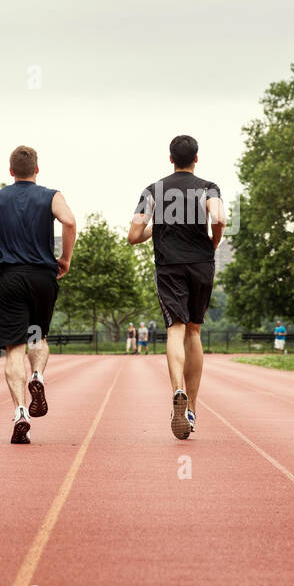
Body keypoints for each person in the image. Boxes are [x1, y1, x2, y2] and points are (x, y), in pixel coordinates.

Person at [0, 145, 76, 444]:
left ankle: (20, 411)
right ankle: (38, 376)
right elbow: (69, 221)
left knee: (13, 349)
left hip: (10, 279)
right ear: (37, 170)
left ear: (10, 171)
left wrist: (3, 243)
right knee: (37, 336)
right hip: (42, 277)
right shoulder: (50, 195)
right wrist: (65, 258)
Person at [128, 135, 225, 439]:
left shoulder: (153, 189)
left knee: (176, 329)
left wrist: (156, 225)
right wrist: (214, 240)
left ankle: (177, 391)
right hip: (201, 264)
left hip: (169, 265)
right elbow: (220, 216)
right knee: (195, 331)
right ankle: (192, 407)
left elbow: (133, 234)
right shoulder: (208, 186)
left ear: (170, 159)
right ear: (196, 158)